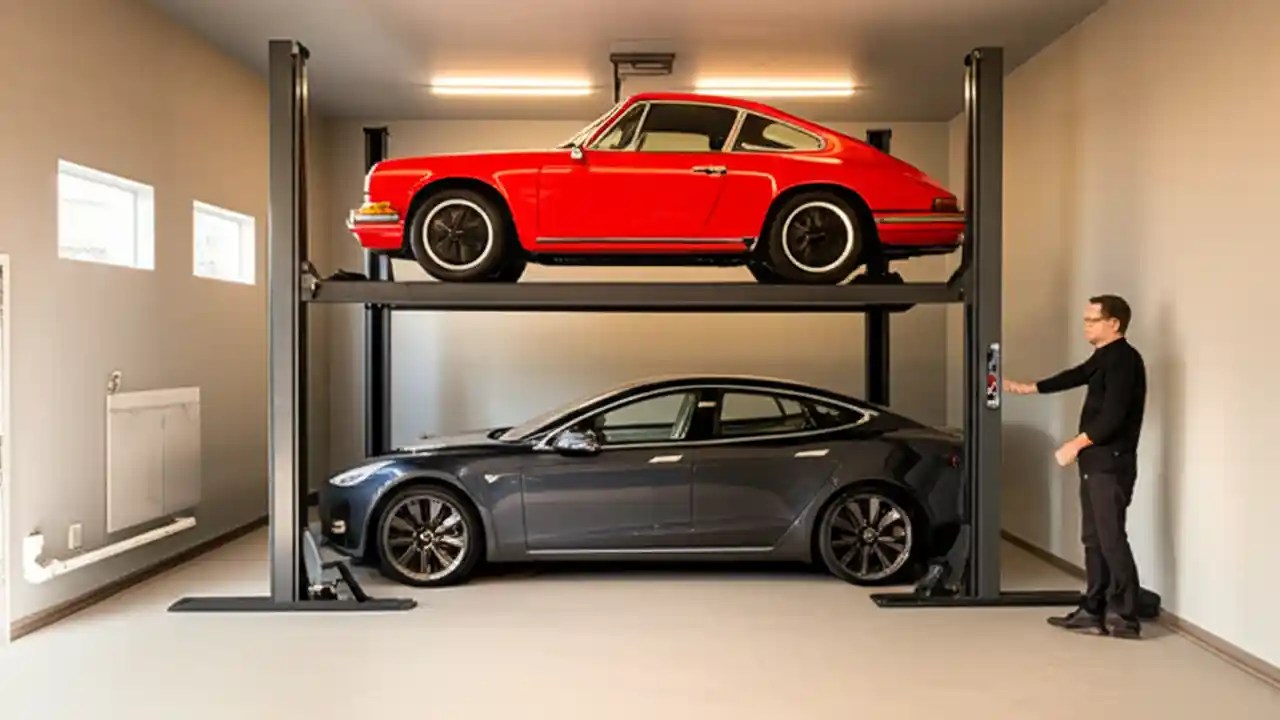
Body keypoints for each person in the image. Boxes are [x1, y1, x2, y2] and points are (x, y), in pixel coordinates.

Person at [1004, 295, 1147, 639]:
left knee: (1111, 538)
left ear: (1114, 323)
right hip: (1096, 463)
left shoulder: (1125, 361)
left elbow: (1112, 418)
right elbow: (1075, 376)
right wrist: (1028, 388)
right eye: (1085, 320)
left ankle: (1126, 616)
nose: (1086, 325)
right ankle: (1092, 609)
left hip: (1111, 463)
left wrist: (1075, 444)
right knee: (1093, 538)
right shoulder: (1103, 358)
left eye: (1092, 320)